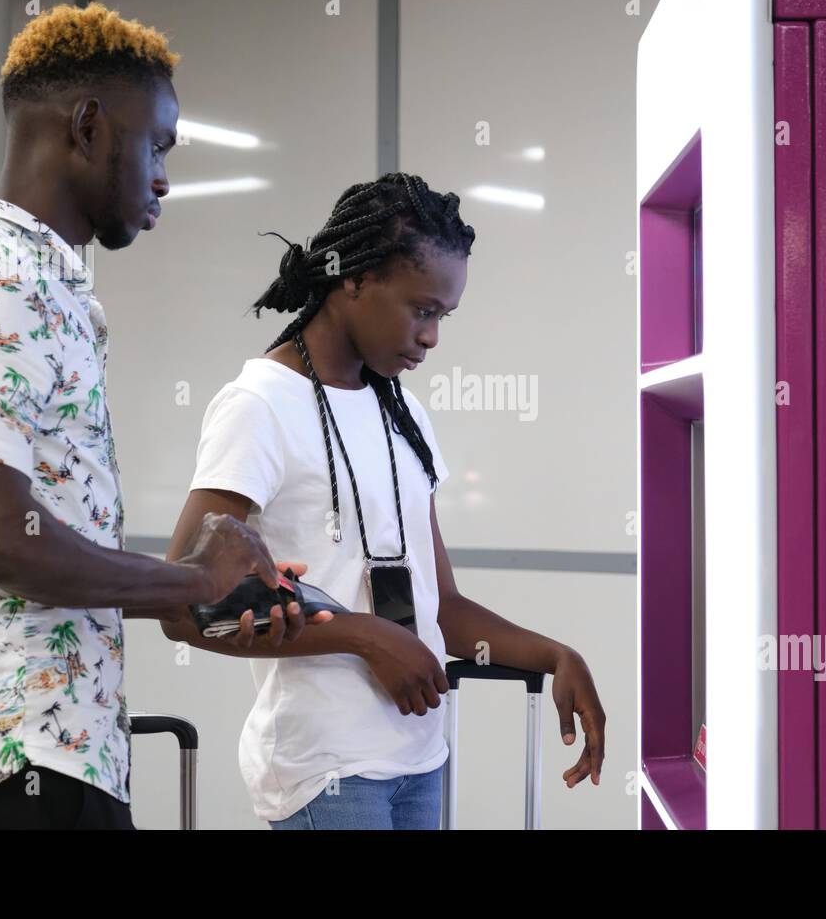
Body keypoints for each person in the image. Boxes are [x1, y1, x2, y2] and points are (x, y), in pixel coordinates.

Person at [0, 2, 319, 831]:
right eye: (157, 146)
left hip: (58, 743)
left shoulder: (44, 284)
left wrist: (183, 595)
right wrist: (191, 579)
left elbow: (33, 535)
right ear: (86, 126)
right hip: (12, 756)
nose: (163, 178)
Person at [162, 173, 607, 829]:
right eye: (421, 309)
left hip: (420, 758)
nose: (431, 337)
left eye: (442, 317)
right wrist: (365, 638)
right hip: (329, 772)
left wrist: (558, 655)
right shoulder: (260, 406)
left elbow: (440, 608)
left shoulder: (402, 413)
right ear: (355, 280)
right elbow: (182, 606)